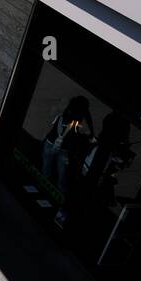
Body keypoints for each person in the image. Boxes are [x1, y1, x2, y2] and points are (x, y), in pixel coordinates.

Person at [43, 95, 94, 224]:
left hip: (52, 144)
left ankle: (46, 193)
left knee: (49, 170)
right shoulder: (76, 121)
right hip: (61, 150)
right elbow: (87, 132)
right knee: (61, 175)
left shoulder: (65, 115)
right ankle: (58, 198)